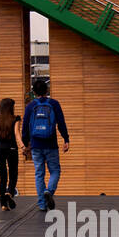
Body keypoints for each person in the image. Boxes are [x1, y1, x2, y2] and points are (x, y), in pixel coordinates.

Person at [21, 78, 69, 212]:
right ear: (46, 90)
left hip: (36, 145)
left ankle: (42, 204)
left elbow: (25, 127)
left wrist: (25, 145)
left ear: (34, 92)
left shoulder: (30, 106)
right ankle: (49, 190)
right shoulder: (54, 104)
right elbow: (61, 123)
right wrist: (66, 139)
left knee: (39, 173)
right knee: (55, 171)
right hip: (51, 144)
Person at [0, 98, 21, 212]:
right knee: (13, 173)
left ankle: (3, 205)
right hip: (12, 149)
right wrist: (22, 146)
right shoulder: (16, 119)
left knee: (3, 176)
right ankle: (9, 193)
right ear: (11, 108)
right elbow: (16, 134)